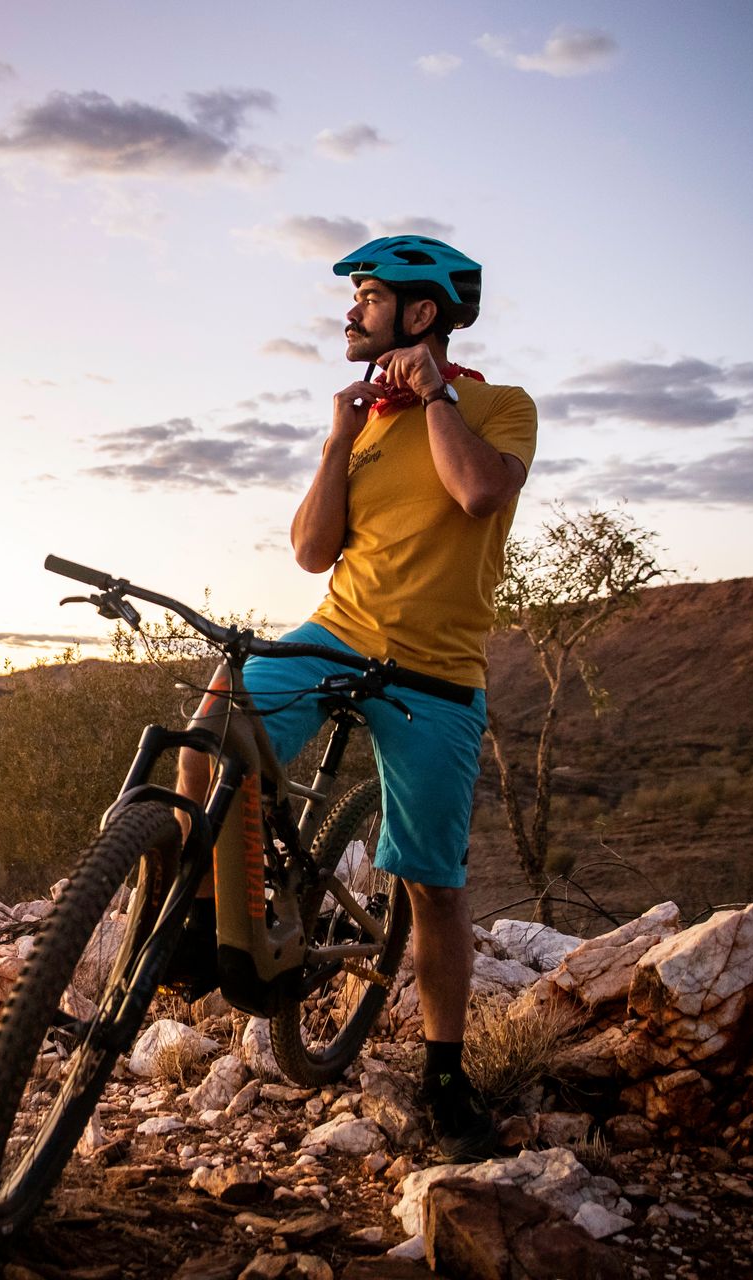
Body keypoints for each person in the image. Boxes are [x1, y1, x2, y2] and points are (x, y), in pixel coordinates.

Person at [171, 234, 536, 1162]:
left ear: (422, 312)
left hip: (436, 671)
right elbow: (310, 552)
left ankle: (444, 1077)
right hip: (334, 633)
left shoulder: (501, 405)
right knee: (211, 729)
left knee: (433, 884)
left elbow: (478, 494)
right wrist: (339, 439)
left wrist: (435, 395)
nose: (350, 310)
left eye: (369, 296)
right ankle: (202, 924)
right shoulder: (363, 420)